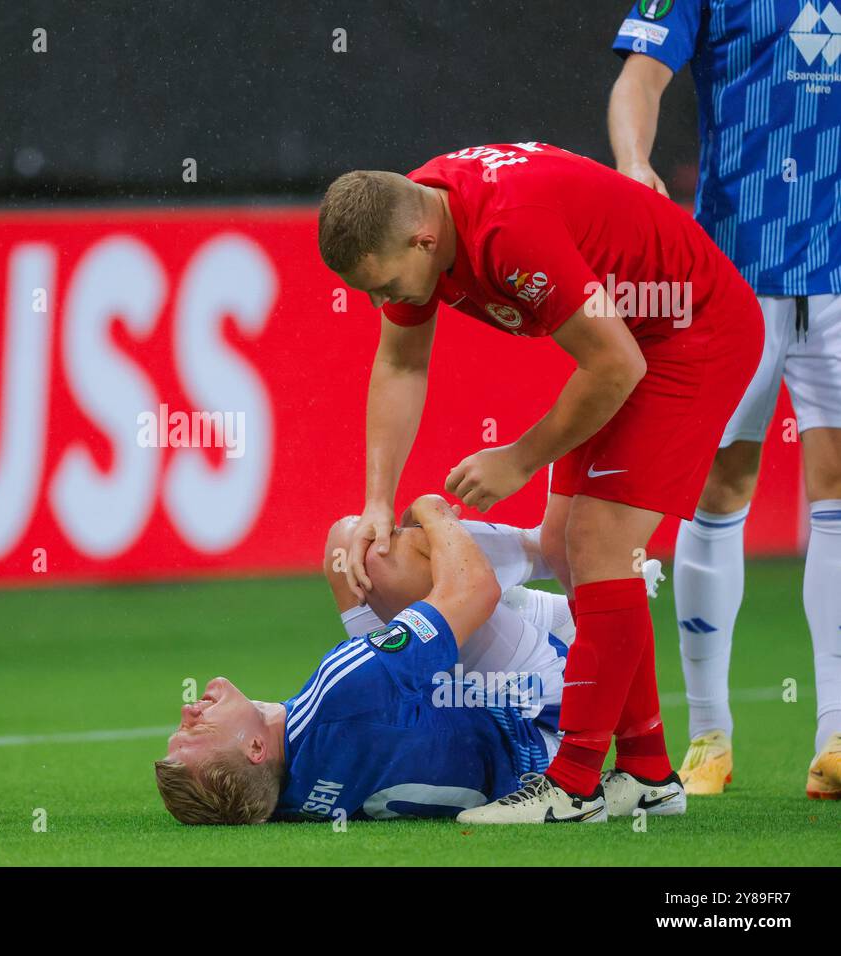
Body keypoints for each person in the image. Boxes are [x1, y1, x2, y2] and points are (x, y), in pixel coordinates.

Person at [317, 141, 761, 821]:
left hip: (691, 334)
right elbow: (402, 365)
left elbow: (615, 365)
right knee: (562, 545)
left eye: (385, 285)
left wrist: (519, 458)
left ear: (424, 237)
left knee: (600, 545)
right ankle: (645, 770)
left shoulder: (505, 231)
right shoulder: (416, 220)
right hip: (635, 338)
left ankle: (575, 782)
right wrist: (379, 497)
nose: (384, 300)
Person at [610, 0, 841, 799]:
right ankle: (709, 735)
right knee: (720, 486)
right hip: (734, 272)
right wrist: (633, 161)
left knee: (837, 484)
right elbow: (640, 77)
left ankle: (835, 734)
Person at [153, 496, 684, 825]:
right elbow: (475, 591)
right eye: (197, 732)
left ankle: (568, 605)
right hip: (538, 714)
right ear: (252, 747)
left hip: (475, 725)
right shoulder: (343, 695)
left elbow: (376, 696)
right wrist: (432, 510)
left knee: (346, 550)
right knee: (381, 557)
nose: (188, 714)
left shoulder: (286, 798)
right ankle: (578, 565)